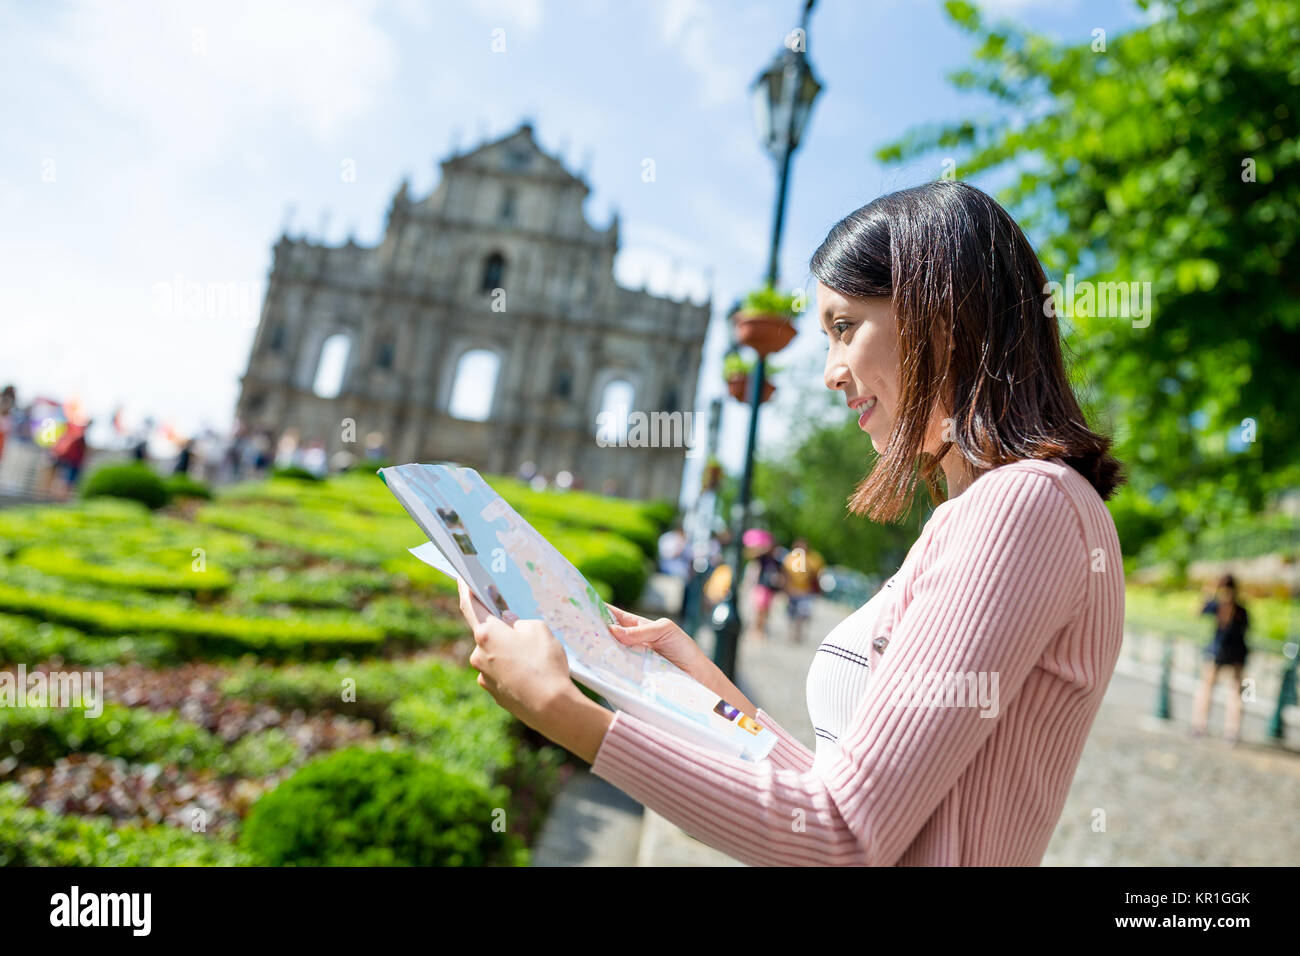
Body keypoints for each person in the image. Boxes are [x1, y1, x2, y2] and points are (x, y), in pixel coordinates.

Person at [452, 181, 1126, 866]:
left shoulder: (1022, 506)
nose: (831, 373)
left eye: (844, 328)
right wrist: (698, 682)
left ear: (942, 315)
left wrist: (562, 712)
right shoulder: (993, 510)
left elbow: (844, 840)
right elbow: (838, 797)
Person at [1190, 574, 1250, 745]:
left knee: (1206, 689)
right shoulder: (1241, 610)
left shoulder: (1218, 606)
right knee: (1238, 694)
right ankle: (1233, 731)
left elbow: (1196, 612)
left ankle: (1199, 726)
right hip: (1238, 655)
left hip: (1218, 653)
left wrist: (1208, 592)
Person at [782, 537, 826, 645]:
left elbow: (819, 575)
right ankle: (792, 633)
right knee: (791, 613)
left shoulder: (814, 559)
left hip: (806, 591)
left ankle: (798, 633)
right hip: (792, 591)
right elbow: (785, 574)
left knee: (803, 613)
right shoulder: (790, 558)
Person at [746, 540, 785, 644]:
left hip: (771, 589)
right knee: (759, 610)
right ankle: (756, 630)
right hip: (762, 586)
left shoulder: (777, 562)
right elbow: (753, 557)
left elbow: (781, 573)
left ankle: (761, 630)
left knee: (766, 611)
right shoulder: (763, 559)